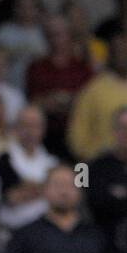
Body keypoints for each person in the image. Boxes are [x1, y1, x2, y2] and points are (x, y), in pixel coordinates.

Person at [66, 35, 127, 162]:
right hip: (100, 164)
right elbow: (77, 135)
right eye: (118, 52)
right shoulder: (92, 90)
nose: (122, 57)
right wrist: (91, 159)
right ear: (110, 56)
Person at [26, 15, 94, 158]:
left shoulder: (83, 68)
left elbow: (90, 103)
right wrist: (50, 102)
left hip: (76, 135)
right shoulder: (36, 67)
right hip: (45, 136)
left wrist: (69, 101)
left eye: (59, 34)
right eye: (50, 35)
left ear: (69, 36)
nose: (54, 40)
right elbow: (32, 103)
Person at [87, 108, 127, 245]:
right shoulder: (95, 167)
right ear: (114, 132)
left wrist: (124, 195)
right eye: (123, 128)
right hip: (107, 237)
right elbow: (95, 205)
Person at [0, 105, 57, 234]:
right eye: (25, 125)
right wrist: (48, 186)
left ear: (43, 129)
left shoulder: (52, 162)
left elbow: (62, 195)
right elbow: (13, 197)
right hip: (15, 230)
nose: (31, 131)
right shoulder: (5, 158)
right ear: (16, 128)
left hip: (46, 232)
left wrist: (29, 186)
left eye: (35, 126)